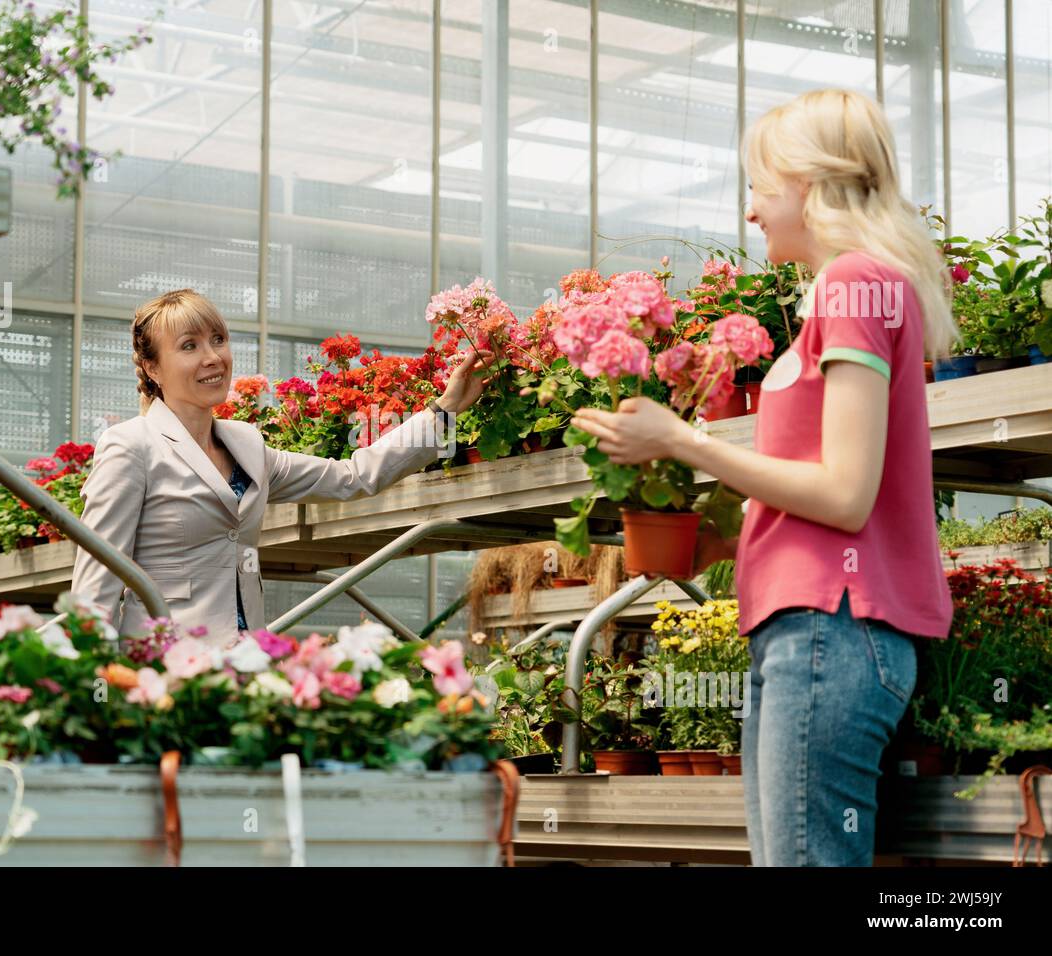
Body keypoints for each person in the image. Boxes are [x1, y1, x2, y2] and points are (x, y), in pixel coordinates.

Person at [571, 88, 955, 866]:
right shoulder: (857, 289)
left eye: (759, 186)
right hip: (817, 630)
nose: (751, 211)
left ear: (810, 184)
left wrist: (682, 441)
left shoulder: (852, 282)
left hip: (830, 626)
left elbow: (845, 495)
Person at [72, 288, 490, 646]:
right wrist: (97, 693)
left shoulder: (247, 444)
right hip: (162, 672)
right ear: (152, 367)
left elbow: (352, 477)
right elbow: (97, 583)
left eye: (218, 339)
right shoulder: (131, 446)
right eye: (189, 346)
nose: (213, 357)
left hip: (246, 667)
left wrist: (444, 410)